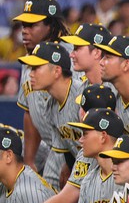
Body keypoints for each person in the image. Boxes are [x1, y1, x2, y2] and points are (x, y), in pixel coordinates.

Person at [12, 0, 69, 177]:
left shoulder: (70, 57)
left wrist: (71, 160)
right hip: (50, 146)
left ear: (51, 26)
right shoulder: (28, 59)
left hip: (73, 144)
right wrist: (29, 160)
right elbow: (30, 112)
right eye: (23, 25)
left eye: (32, 25)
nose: (24, 31)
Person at [18, 41, 83, 188]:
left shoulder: (82, 97)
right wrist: (68, 165)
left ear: (57, 71)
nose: (31, 74)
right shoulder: (50, 105)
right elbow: (66, 148)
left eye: (36, 68)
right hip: (81, 164)